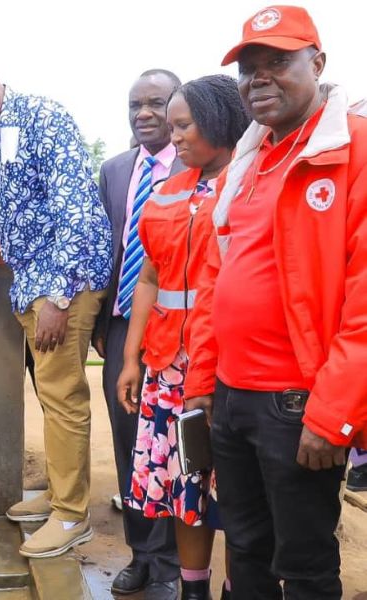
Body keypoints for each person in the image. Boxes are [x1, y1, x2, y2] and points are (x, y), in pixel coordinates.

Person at [185, 6, 367, 598]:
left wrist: (332, 413)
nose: (259, 78)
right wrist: (204, 383)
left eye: (278, 63)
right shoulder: (251, 158)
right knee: (245, 549)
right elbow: (216, 279)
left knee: (307, 565)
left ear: (318, 63)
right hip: (233, 403)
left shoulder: (353, 151)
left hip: (298, 408)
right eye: (249, 69)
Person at [0, 55, 112, 558]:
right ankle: (60, 495)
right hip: (28, 283)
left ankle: (72, 516)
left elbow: (75, 207)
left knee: (62, 394)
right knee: (50, 395)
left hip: (65, 281)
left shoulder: (43, 118)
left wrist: (58, 295)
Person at [116, 75, 249, 600]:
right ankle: (192, 591)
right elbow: (149, 278)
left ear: (220, 121)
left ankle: (242, 588)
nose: (174, 138)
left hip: (231, 371)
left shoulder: (252, 182)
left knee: (236, 495)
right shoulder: (169, 190)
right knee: (182, 486)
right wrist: (132, 359)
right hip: (169, 367)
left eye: (183, 125)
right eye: (171, 127)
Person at [93, 69, 184, 598]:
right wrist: (103, 327)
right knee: (129, 445)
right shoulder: (115, 169)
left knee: (171, 448)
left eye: (155, 103)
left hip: (178, 330)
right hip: (124, 327)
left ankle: (173, 563)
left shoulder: (197, 169)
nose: (143, 113)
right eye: (135, 105)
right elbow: (109, 253)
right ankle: (142, 555)